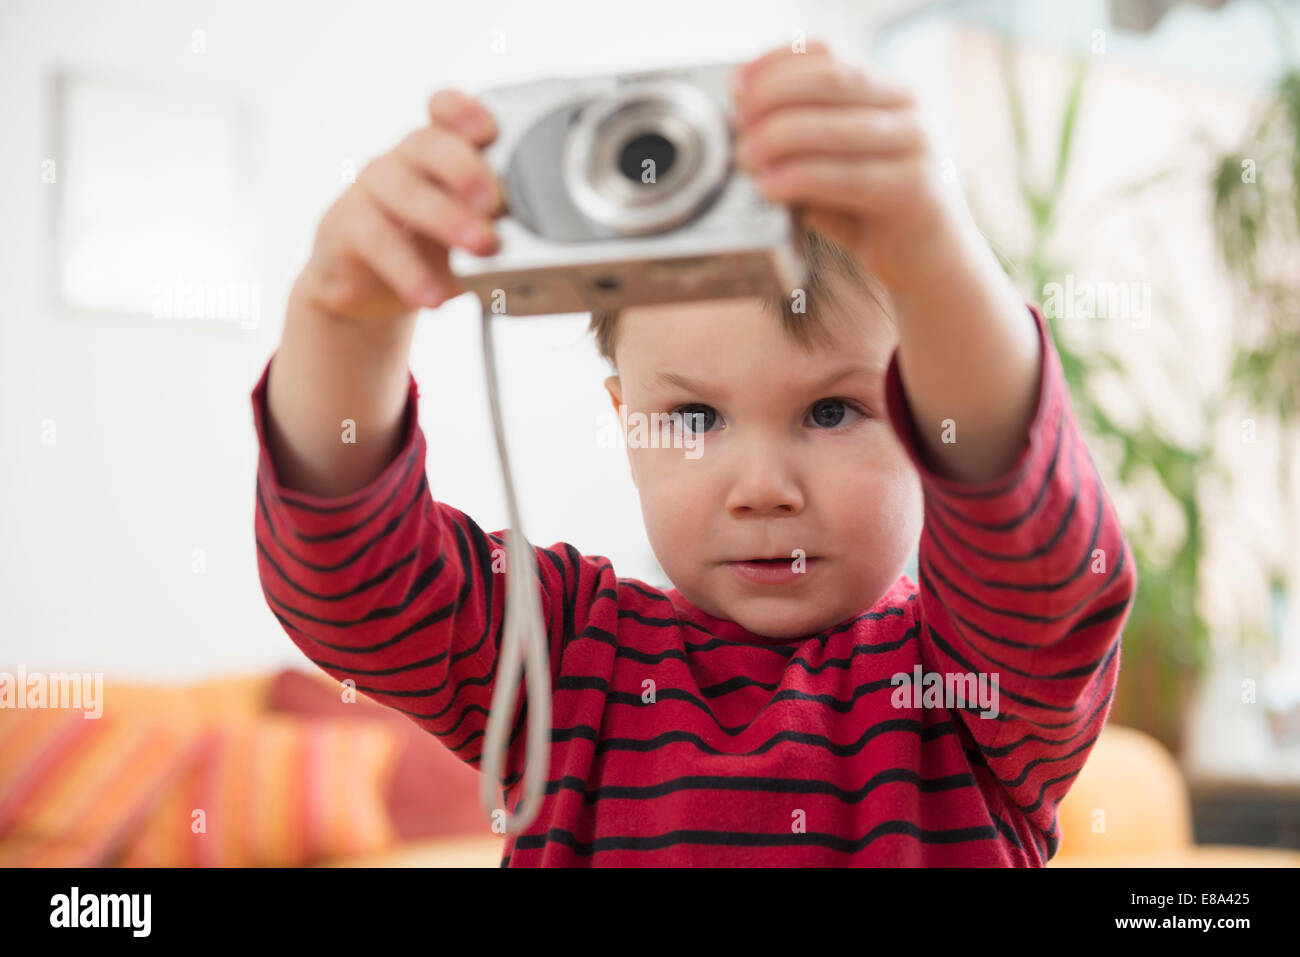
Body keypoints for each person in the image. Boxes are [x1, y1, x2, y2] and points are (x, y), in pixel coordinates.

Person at [250, 40, 1137, 865]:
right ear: (625, 420)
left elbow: (1044, 567)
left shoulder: (970, 686)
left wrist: (937, 260)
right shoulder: (562, 656)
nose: (761, 489)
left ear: (921, 411)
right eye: (694, 419)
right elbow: (352, 582)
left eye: (832, 409)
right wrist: (344, 318)